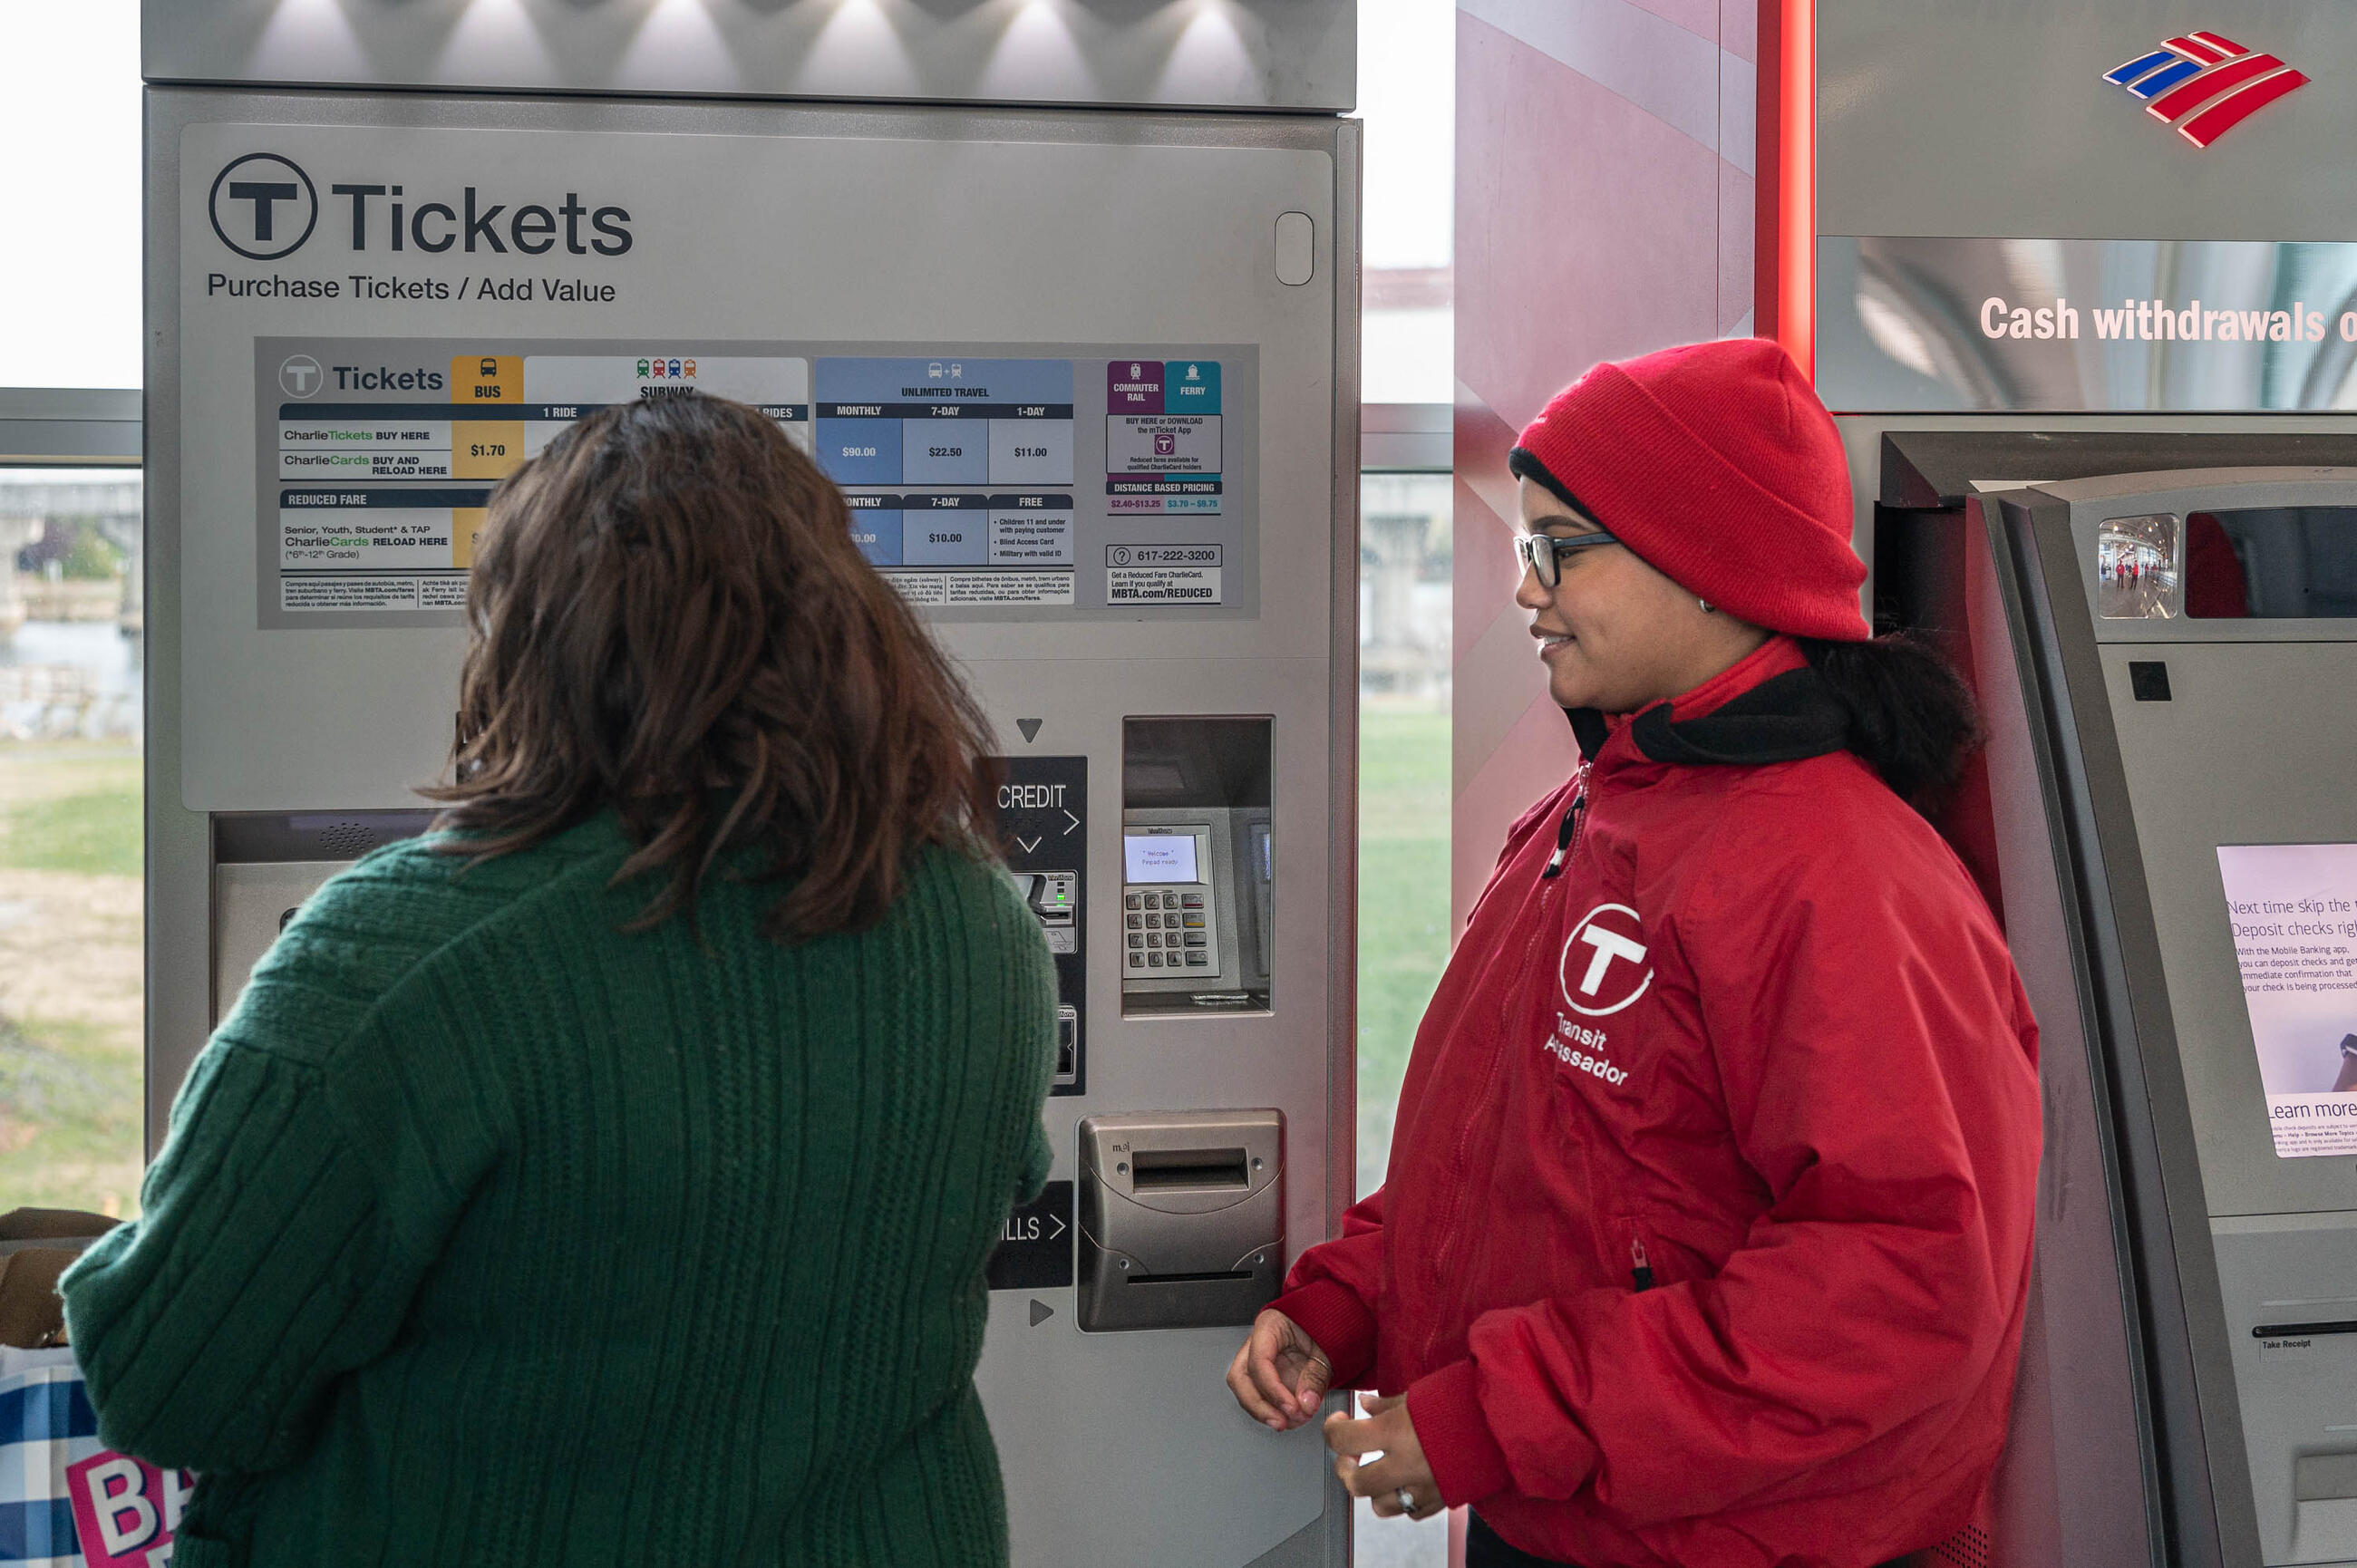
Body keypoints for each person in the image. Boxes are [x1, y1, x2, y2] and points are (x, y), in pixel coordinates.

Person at [62, 396, 1059, 1566]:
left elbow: (168, 1380)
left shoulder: (400, 952)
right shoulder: (982, 928)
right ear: (847, 626)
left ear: (534, 640)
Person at [1226, 340, 2042, 1567]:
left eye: (1560, 550)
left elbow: (1896, 1285)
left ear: (1706, 566)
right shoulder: (1599, 811)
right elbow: (1514, 1162)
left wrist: (1501, 1412)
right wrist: (1351, 1302)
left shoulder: (1843, 878)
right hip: (1575, 1517)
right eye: (1524, 548)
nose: (1526, 588)